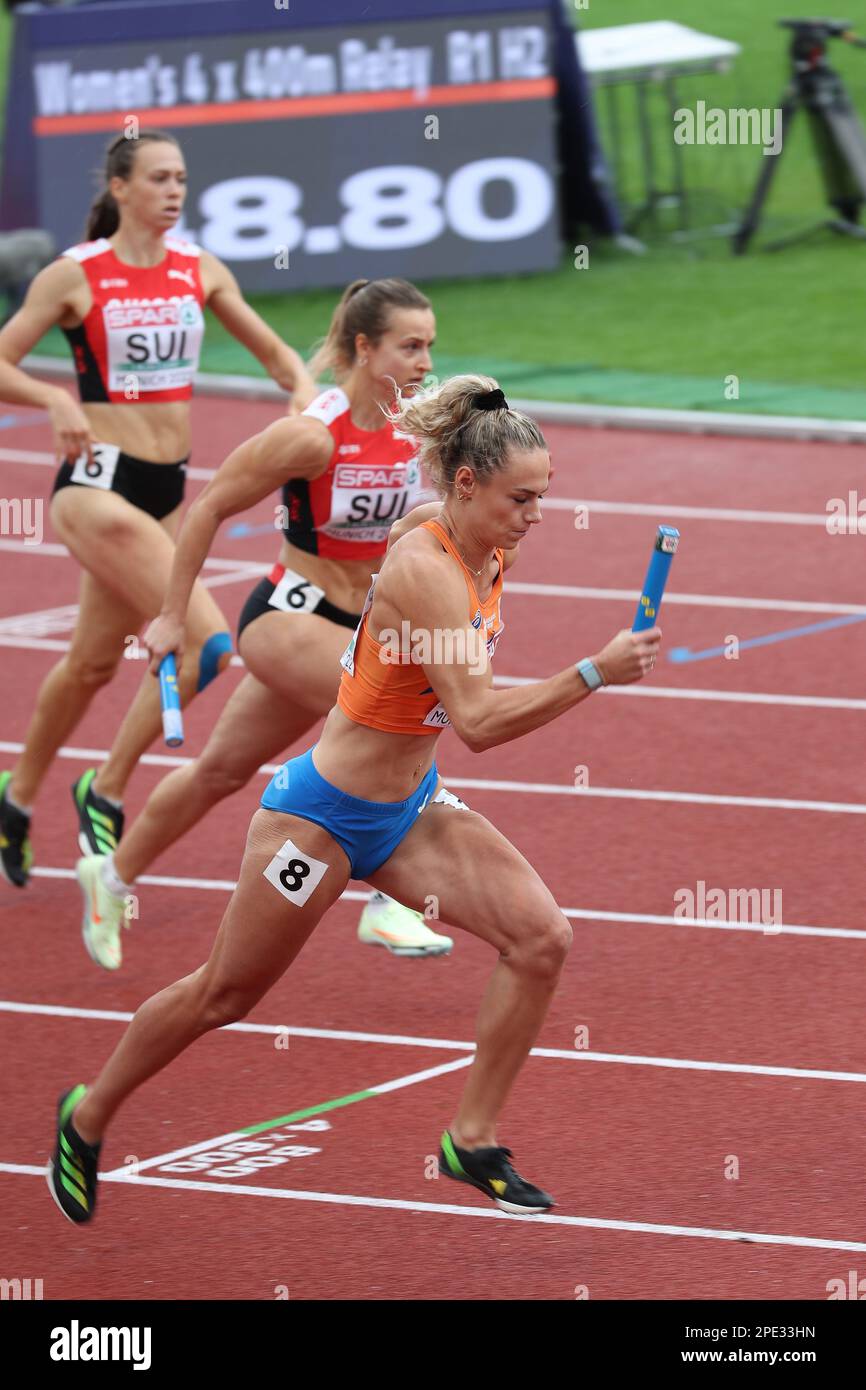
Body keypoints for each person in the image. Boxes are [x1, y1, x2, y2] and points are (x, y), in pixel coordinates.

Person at [47, 374, 662, 1223]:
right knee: (224, 995)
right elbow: (479, 721)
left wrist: (477, 394)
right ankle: (86, 1115)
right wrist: (597, 670)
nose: (535, 516)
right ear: (467, 485)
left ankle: (471, 1140)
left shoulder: (493, 546)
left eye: (544, 498)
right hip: (320, 821)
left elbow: (459, 704)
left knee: (541, 940)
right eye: (522, 498)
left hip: (409, 813)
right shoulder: (425, 567)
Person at [74, 278, 452, 968]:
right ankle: (391, 903)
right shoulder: (311, 437)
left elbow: (418, 520)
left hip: (357, 623)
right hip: (288, 619)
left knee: (220, 770)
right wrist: (169, 616)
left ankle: (111, 876)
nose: (426, 361)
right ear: (364, 348)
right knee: (396, 714)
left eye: (430, 345)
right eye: (411, 345)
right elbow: (211, 506)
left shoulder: (416, 430)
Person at [0, 129, 315, 888]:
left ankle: (15, 800)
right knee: (206, 643)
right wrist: (50, 397)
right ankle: (103, 787)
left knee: (94, 662)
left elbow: (283, 362)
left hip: (167, 488)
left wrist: (306, 415)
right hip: (95, 486)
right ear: (119, 188)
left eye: (181, 179)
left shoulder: (197, 269)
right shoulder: (76, 276)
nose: (175, 191)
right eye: (159, 179)